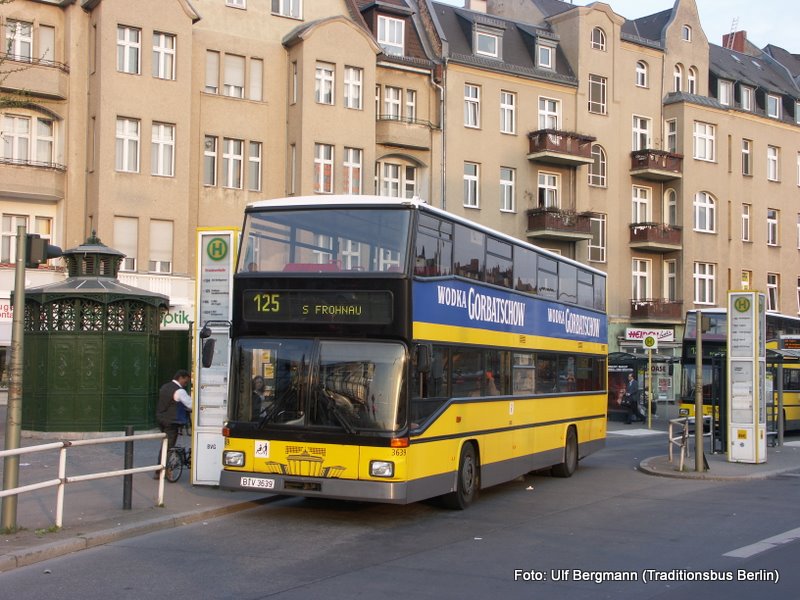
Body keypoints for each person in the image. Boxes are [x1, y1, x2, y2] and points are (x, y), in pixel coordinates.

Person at [155, 369, 193, 477]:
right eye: (185, 382)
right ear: (181, 378)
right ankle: (163, 471)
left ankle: (159, 470)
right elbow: (191, 404)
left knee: (165, 445)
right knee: (169, 447)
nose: (185, 384)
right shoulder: (180, 391)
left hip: (161, 419)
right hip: (172, 422)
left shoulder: (164, 387)